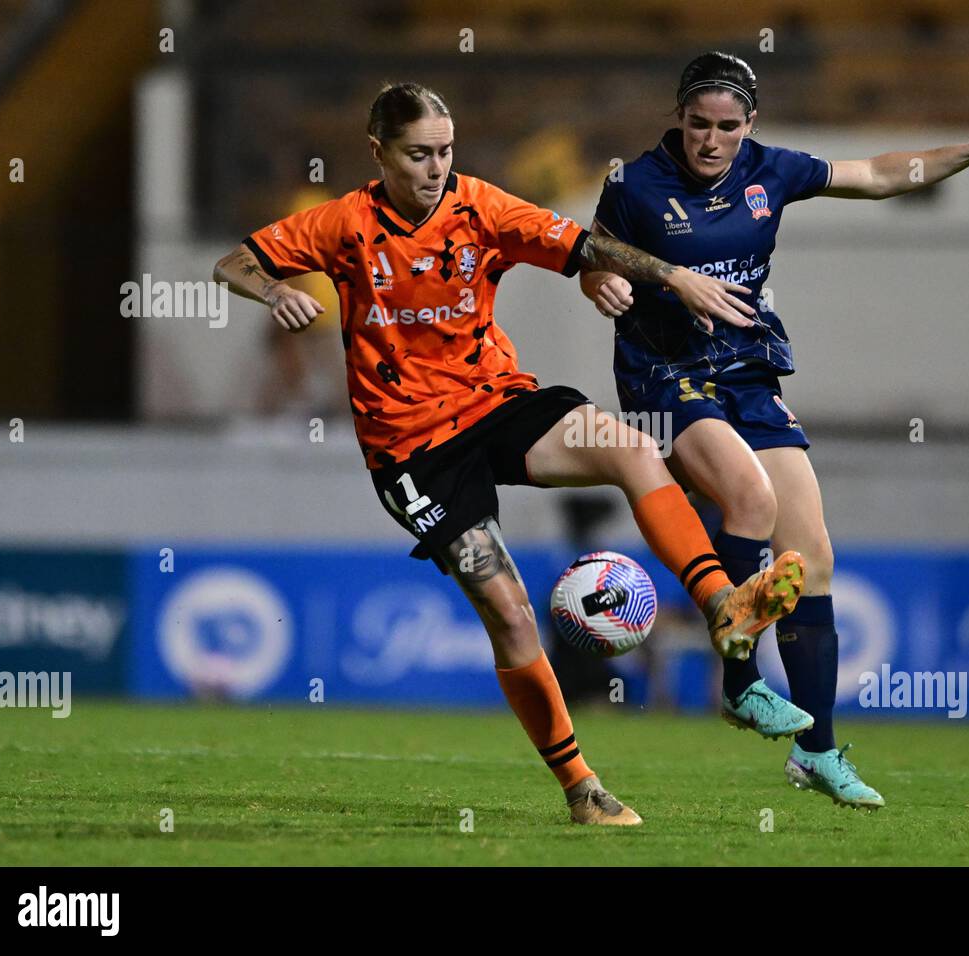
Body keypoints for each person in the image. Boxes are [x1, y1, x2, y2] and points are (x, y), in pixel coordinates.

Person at [213, 82, 807, 827]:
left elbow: (588, 247)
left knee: (630, 450)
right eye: (418, 154)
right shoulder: (343, 225)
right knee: (512, 614)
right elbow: (232, 263)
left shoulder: (482, 208)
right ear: (379, 153)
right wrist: (272, 292)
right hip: (412, 451)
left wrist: (668, 275)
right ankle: (582, 788)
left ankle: (723, 602)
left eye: (446, 151)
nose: (436, 167)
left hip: (495, 404)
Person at [579, 52, 969, 809]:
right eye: (698, 124)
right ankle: (740, 682)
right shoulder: (634, 183)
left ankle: (816, 752)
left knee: (811, 558)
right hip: (663, 376)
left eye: (727, 126)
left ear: (749, 124)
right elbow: (591, 254)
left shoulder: (772, 171)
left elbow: (882, 174)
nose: (710, 141)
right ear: (678, 117)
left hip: (748, 371)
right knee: (747, 500)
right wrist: (608, 281)